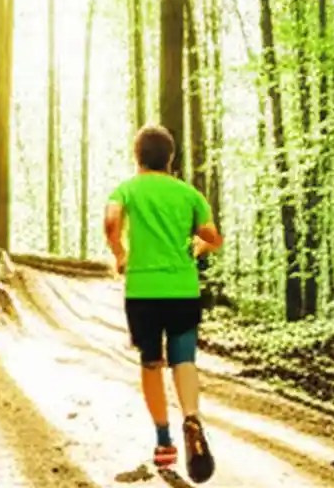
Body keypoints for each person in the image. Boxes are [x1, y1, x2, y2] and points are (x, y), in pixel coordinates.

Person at [104, 125, 223, 482]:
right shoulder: (189, 194)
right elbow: (212, 237)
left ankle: (163, 440)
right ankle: (191, 418)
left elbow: (111, 222)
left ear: (137, 157)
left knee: (152, 363)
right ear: (170, 158)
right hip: (182, 289)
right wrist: (198, 248)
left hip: (143, 291)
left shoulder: (127, 189)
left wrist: (120, 254)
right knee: (184, 359)